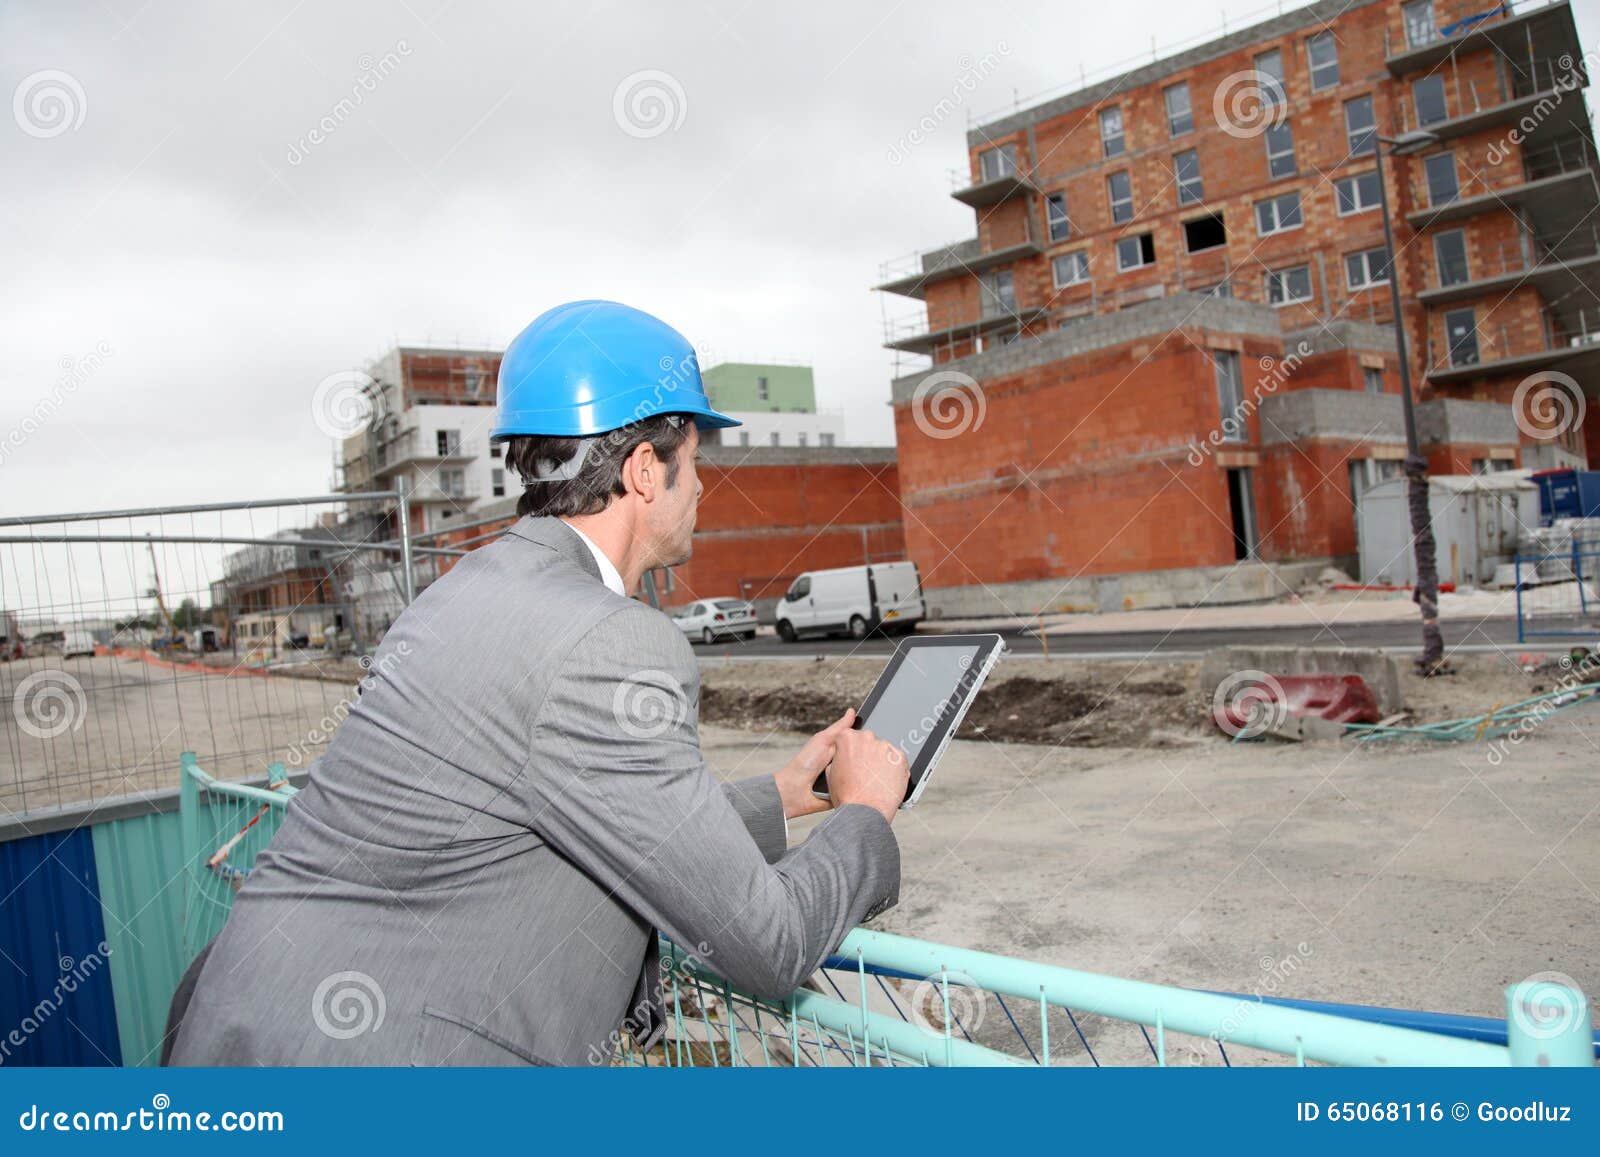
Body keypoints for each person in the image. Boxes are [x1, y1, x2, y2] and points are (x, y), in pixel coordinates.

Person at [169, 300, 907, 1066]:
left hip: (243, 1030)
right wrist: (866, 811)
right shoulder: (611, 640)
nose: (702, 490)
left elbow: (545, 800)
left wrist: (782, 794)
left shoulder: (466, 592)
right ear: (646, 470)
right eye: (696, 462)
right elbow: (768, 943)